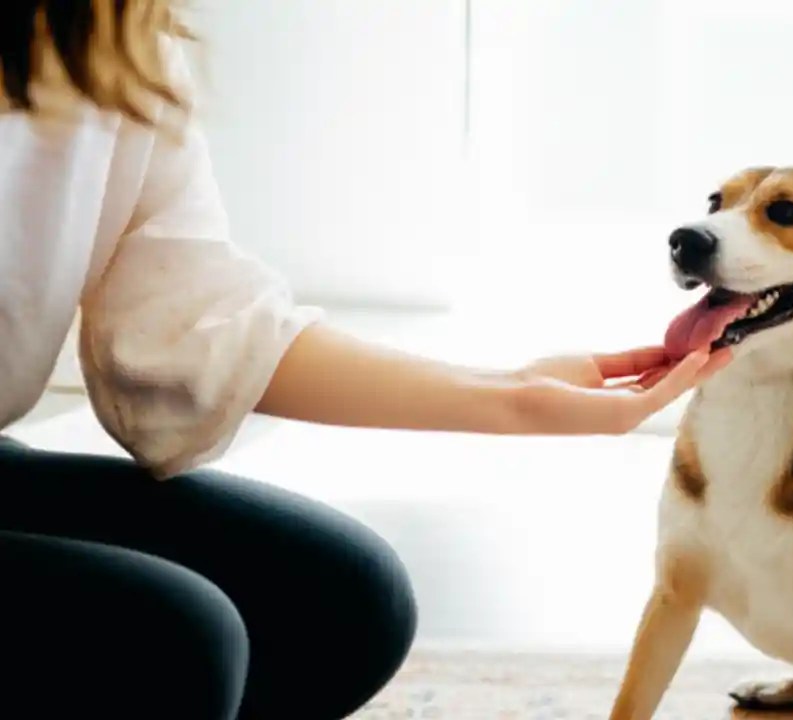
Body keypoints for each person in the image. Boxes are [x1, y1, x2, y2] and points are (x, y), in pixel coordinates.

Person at [0, 3, 729, 718]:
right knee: (175, 639)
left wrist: (513, 396)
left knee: (345, 599)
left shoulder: (108, 42)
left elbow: (195, 325)